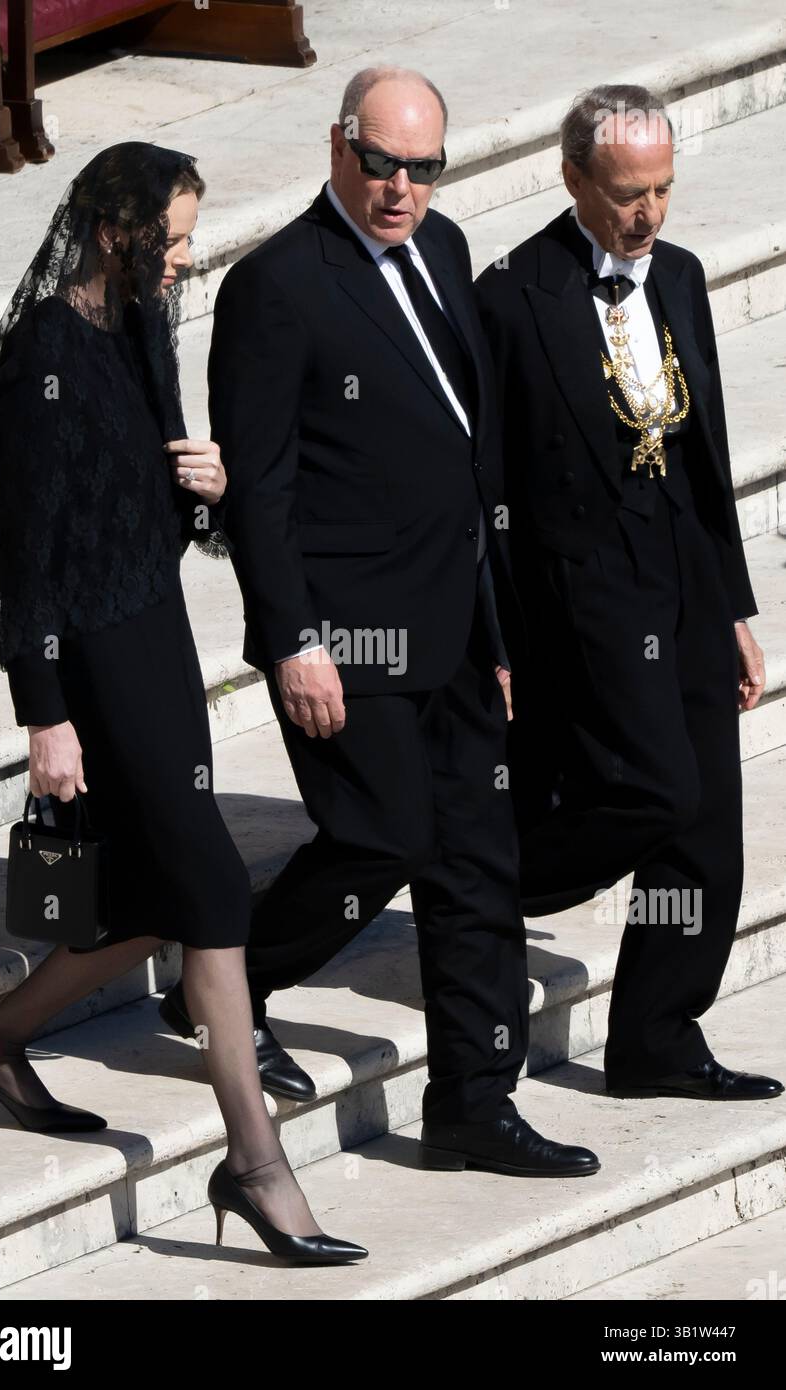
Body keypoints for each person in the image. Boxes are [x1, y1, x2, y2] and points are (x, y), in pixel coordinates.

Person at [0, 142, 366, 1265]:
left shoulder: (142, 327)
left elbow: (152, 507)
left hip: (158, 640)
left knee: (148, 902)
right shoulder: (40, 361)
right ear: (115, 233)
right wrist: (45, 714)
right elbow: (24, 558)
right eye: (169, 237)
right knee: (210, 881)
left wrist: (205, 492)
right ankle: (256, 1162)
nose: (184, 257)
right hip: (91, 663)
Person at [160, 68, 600, 1178]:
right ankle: (232, 977)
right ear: (336, 145)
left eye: (423, 167)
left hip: (452, 620)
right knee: (384, 838)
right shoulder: (277, 287)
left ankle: (472, 1101)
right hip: (345, 633)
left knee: (472, 861)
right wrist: (294, 636)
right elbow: (257, 485)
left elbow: (463, 455)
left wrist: (496, 633)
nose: (401, 187)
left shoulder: (442, 251)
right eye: (381, 163)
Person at [475, 85, 783, 1102]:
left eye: (658, 188)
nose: (644, 212)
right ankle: (479, 881)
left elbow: (706, 457)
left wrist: (733, 604)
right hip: (586, 586)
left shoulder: (682, 277)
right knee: (651, 791)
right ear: (572, 181)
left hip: (685, 572)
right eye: (623, 193)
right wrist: (500, 632)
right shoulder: (513, 295)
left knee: (707, 837)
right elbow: (487, 482)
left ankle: (654, 1036)